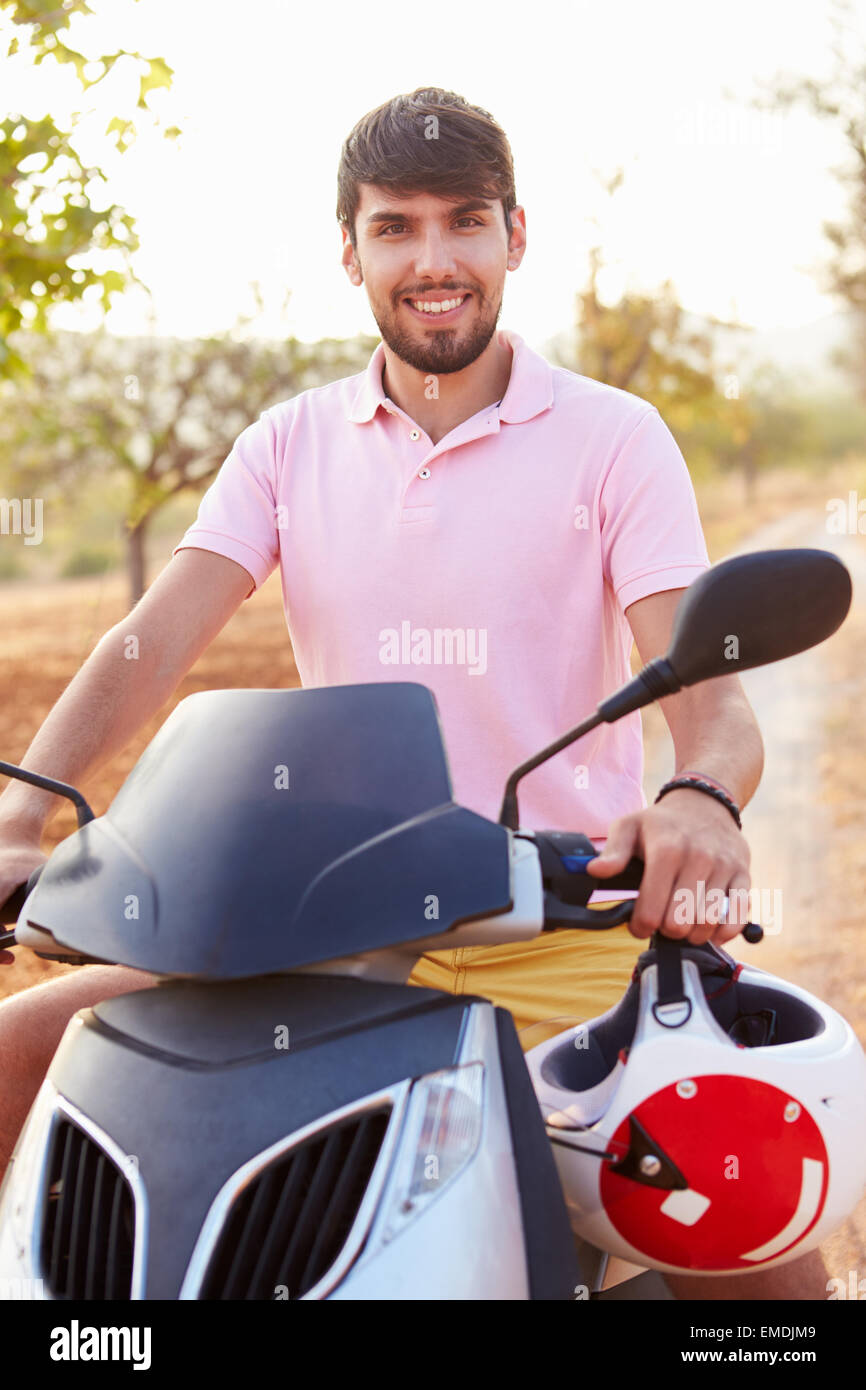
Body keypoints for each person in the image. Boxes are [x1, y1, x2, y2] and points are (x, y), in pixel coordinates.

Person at [0, 87, 826, 1300]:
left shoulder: (614, 438)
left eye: (462, 222)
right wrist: (21, 811)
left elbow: (710, 696)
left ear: (514, 235)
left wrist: (699, 795)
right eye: (394, 227)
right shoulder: (286, 446)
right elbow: (150, 638)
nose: (432, 260)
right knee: (22, 1057)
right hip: (313, 925)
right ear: (349, 249)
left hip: (557, 917)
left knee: (742, 1201)